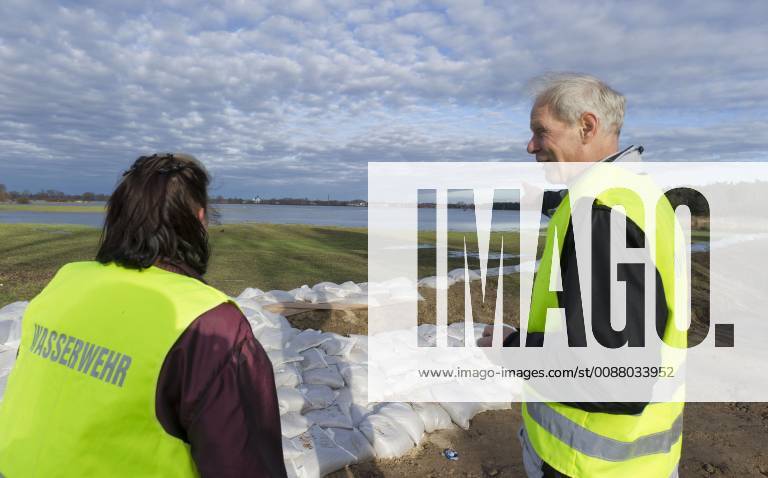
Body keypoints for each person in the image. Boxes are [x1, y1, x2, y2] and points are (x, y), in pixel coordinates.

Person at [0, 153, 287, 477]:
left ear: (118, 217)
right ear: (200, 219)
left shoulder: (64, 283)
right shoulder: (209, 324)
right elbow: (245, 464)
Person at [479, 74, 685, 477]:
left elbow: (616, 377)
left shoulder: (602, 216)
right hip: (636, 457)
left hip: (587, 463)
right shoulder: (639, 197)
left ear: (586, 127)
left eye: (541, 131)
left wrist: (513, 346)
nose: (531, 146)